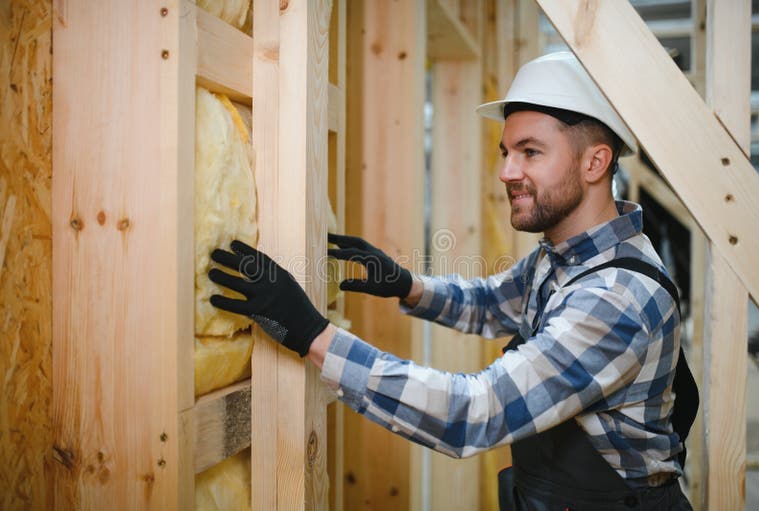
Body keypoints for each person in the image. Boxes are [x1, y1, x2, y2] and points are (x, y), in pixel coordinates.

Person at [208, 52, 696, 510]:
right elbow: (491, 302)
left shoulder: (615, 297)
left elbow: (474, 412)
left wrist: (314, 335)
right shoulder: (566, 258)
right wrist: (406, 286)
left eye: (530, 152)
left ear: (595, 162)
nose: (506, 171)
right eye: (506, 151)